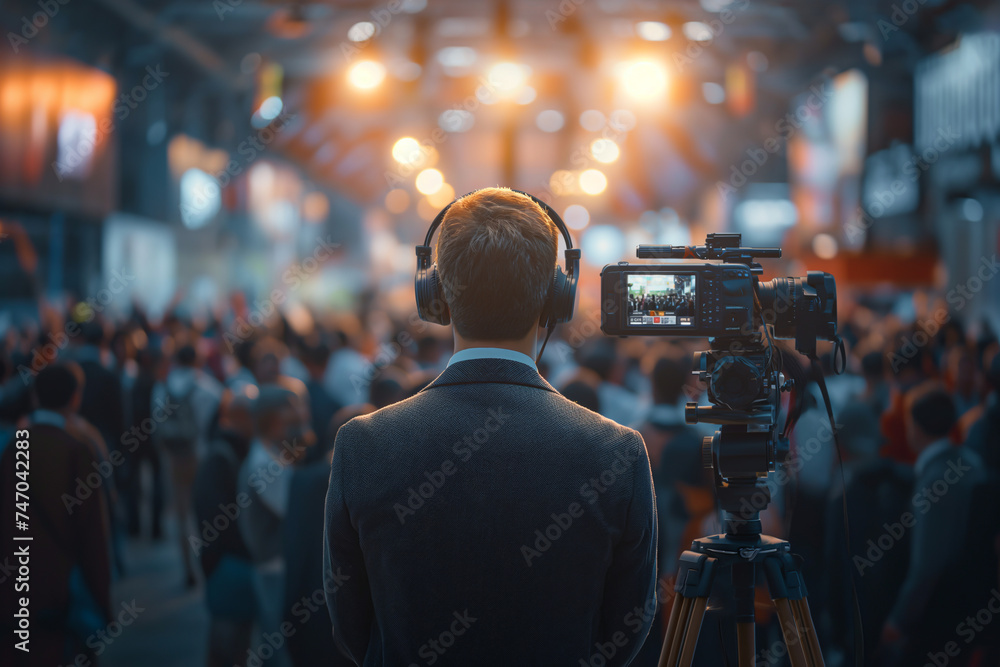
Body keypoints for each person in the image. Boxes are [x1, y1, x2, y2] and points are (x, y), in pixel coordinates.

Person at [324, 187, 657, 665]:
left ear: (434, 295)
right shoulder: (616, 453)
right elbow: (627, 630)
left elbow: (351, 627)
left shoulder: (364, 445)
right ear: (556, 299)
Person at [0, 364, 112, 667]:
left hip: (18, 592)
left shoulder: (14, 448)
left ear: (35, 397)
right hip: (62, 593)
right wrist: (103, 600)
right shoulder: (76, 450)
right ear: (76, 398)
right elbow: (93, 536)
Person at [881, 384, 985, 664]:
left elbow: (927, 564)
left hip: (942, 613)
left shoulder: (933, 481)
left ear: (914, 426)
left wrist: (898, 619)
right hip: (977, 605)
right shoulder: (973, 463)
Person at [238, 385, 308, 667]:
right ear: (274, 418)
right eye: (291, 414)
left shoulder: (269, 455)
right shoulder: (263, 464)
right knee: (279, 646)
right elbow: (295, 511)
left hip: (274, 565)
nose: (298, 418)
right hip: (274, 567)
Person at [193, 390, 258, 667]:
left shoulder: (237, 450)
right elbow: (214, 520)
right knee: (226, 649)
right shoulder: (221, 457)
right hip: (229, 568)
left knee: (236, 647)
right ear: (239, 417)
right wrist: (221, 561)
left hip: (232, 566)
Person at [152, 343, 224, 587]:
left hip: (174, 457)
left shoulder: (162, 388)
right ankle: (206, 563)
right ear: (197, 361)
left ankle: (187, 568)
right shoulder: (208, 388)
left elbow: (155, 424)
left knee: (182, 515)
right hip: (201, 456)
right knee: (205, 514)